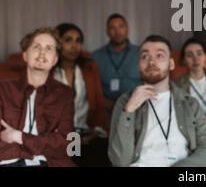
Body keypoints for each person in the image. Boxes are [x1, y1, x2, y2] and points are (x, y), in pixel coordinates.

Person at [108, 35, 206, 167]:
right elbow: (119, 161)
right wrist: (129, 110)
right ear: (138, 65)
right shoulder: (125, 102)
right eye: (145, 56)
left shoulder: (190, 103)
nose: (151, 62)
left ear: (171, 64)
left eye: (159, 55)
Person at [0, 27, 75, 167]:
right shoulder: (3, 89)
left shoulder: (65, 94)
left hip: (48, 161)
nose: (42, 53)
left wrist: (20, 137)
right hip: (6, 159)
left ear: (55, 59)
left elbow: (70, 143)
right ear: (25, 55)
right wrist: (49, 141)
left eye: (49, 48)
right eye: (36, 47)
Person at [55, 23, 109, 167]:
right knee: (73, 156)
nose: (74, 46)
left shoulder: (89, 68)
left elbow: (98, 104)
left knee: (103, 154)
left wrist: (95, 132)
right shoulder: (49, 72)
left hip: (85, 132)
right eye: (68, 40)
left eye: (78, 41)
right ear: (57, 43)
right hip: (57, 136)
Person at [92, 13, 140, 110]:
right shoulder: (95, 56)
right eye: (112, 28)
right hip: (107, 109)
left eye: (121, 27)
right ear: (107, 32)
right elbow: (92, 88)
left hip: (136, 107)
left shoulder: (141, 53)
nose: (117, 32)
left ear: (127, 29)